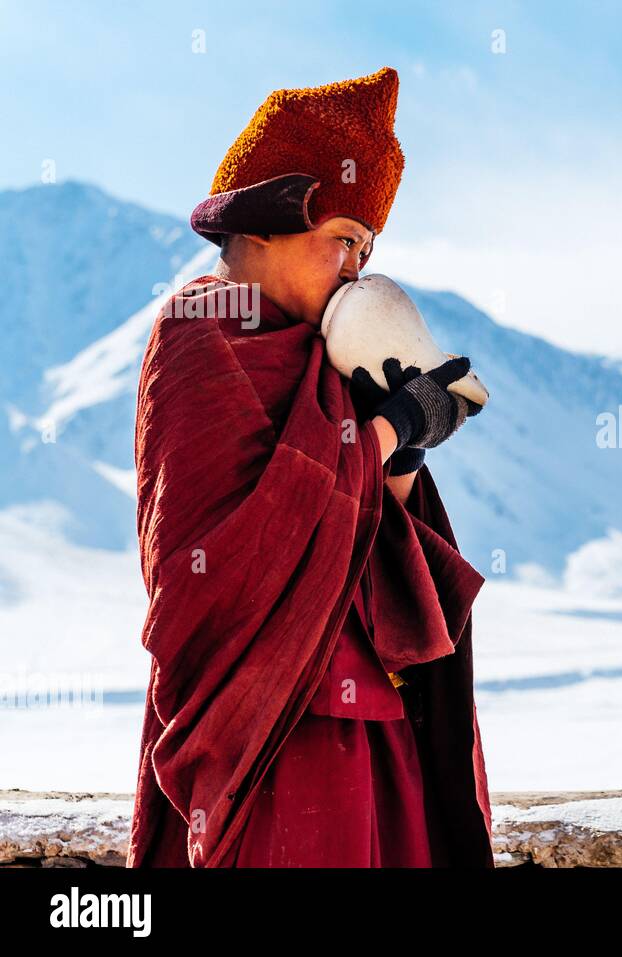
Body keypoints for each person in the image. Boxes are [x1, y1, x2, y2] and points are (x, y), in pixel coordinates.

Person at [125, 67, 494, 867]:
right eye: (344, 238)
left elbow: (375, 543)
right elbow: (212, 565)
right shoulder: (198, 334)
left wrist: (409, 447)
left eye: (367, 249)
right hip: (271, 742)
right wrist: (388, 432)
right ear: (267, 217)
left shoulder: (335, 353)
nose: (356, 269)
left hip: (381, 738)